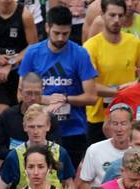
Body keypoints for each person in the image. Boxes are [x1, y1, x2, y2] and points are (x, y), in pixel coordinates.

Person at [17, 5, 98, 166]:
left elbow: (91, 97)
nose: (61, 38)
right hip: (39, 131)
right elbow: (20, 95)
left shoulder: (80, 54)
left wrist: (65, 99)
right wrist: (46, 100)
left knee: (65, 181)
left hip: (73, 130)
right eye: (56, 33)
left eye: (65, 33)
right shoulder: (33, 53)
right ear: (47, 27)